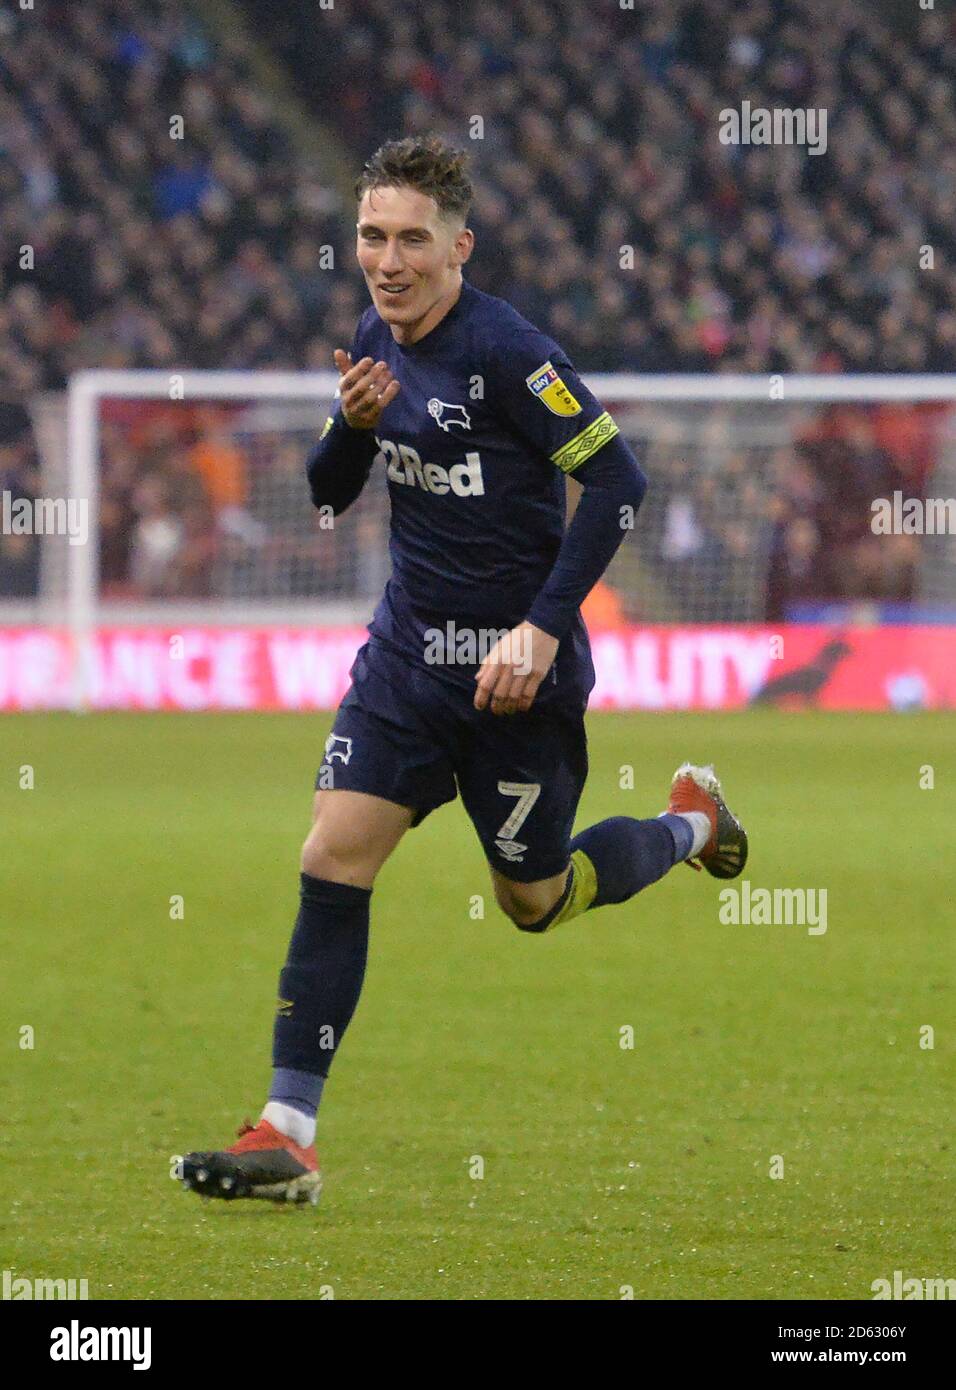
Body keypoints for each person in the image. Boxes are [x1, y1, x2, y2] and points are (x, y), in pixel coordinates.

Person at [181, 137, 747, 1206]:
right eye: (369, 237)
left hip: (514, 678)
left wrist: (539, 628)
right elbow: (326, 489)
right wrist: (348, 429)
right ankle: (287, 1131)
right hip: (408, 657)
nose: (386, 261)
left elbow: (619, 481)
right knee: (333, 853)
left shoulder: (507, 353)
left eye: (409, 240)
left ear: (457, 247)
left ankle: (691, 827)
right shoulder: (370, 337)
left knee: (530, 899)